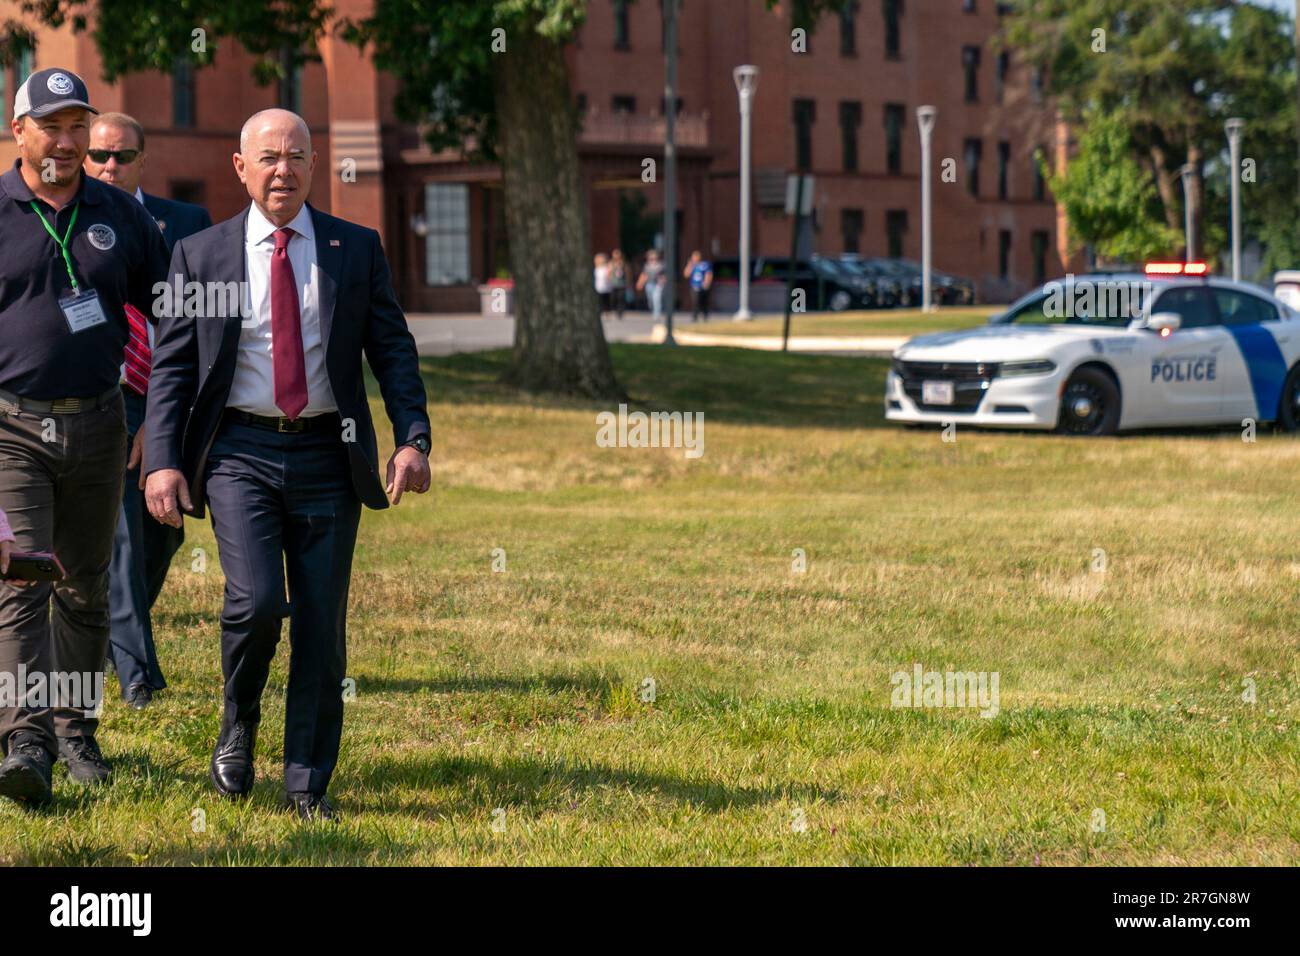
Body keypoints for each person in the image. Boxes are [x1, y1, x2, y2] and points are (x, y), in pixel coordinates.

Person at [143, 109, 432, 822]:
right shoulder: (200, 257)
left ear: (314, 165)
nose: (283, 169)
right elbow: (173, 368)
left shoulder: (352, 249)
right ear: (240, 168)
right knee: (256, 602)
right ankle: (238, 719)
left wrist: (412, 438)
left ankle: (306, 783)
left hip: (330, 455)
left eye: (297, 156)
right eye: (268, 157)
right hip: (239, 452)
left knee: (321, 630)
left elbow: (392, 351)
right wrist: (161, 462)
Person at [0, 68, 169, 806]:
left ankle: (76, 730)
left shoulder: (118, 215)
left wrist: (159, 419)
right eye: (52, 126)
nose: (67, 142)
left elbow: (175, 319)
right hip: (11, 429)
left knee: (85, 589)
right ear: (19, 133)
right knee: (24, 579)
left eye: (78, 126)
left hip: (101, 424)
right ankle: (26, 738)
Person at [83, 111, 213, 711]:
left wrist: (163, 420)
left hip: (164, 397)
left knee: (164, 531)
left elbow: (195, 326)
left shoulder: (185, 224)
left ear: (143, 159)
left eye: (122, 157)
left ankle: (108, 637)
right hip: (99, 401)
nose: (110, 167)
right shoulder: (68, 221)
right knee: (125, 538)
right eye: (99, 156)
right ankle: (139, 674)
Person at [637, 249, 666, 321]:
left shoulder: (661, 265)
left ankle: (656, 315)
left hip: (657, 284)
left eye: (654, 258)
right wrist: (640, 283)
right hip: (649, 284)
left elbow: (664, 275)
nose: (653, 260)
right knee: (651, 300)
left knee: (657, 299)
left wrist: (663, 280)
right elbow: (644, 275)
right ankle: (653, 310)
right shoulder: (646, 266)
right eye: (651, 259)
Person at [684, 250, 713, 322]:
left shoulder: (704, 264)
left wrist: (706, 282)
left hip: (702, 286)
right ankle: (695, 317)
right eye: (693, 257)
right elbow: (686, 274)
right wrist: (689, 265)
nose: (695, 258)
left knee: (704, 302)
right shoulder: (692, 265)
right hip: (694, 286)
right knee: (695, 302)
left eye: (696, 256)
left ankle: (705, 316)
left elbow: (708, 273)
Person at [608, 249, 628, 320]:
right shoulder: (611, 263)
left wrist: (628, 283)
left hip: (622, 284)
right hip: (613, 284)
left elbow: (627, 273)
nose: (616, 255)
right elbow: (609, 273)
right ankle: (614, 310)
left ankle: (620, 312)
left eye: (618, 254)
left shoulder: (623, 263)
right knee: (613, 298)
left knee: (621, 298)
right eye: (615, 254)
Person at [593, 252, 612, 318]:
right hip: (598, 287)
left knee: (606, 301)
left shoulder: (606, 268)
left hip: (606, 287)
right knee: (599, 301)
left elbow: (609, 276)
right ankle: (600, 312)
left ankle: (607, 313)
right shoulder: (596, 269)